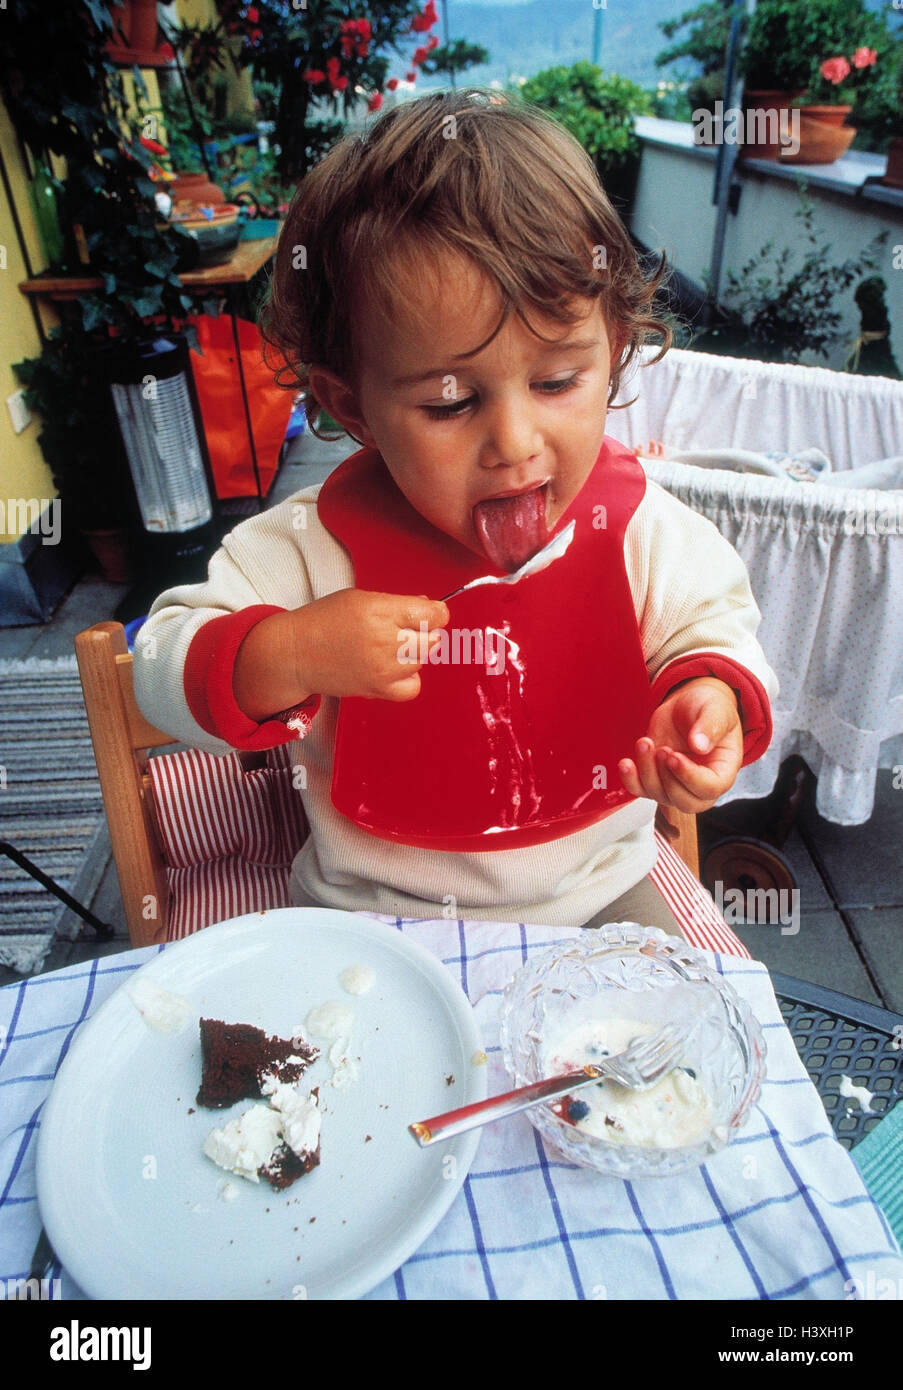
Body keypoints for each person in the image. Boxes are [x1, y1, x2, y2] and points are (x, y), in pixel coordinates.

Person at [134, 90, 778, 937]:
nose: (514, 442)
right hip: (368, 918)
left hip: (599, 895)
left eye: (556, 382)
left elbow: (717, 625)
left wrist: (708, 696)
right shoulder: (311, 547)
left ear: (614, 349)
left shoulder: (638, 528)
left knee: (683, 1051)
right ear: (352, 405)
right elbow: (158, 666)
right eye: (447, 404)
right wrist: (284, 652)